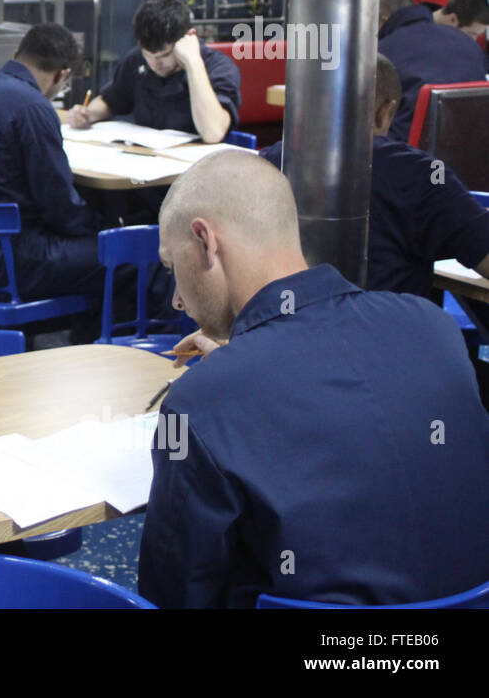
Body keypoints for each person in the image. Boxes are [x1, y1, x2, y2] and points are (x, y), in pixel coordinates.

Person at [138, 151, 489, 607]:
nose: (177, 301)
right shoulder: (432, 326)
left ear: (205, 241)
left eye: (171, 267)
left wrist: (231, 376)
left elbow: (174, 593)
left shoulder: (197, 404)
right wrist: (248, 362)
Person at [261, 54, 489, 295]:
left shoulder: (264, 166)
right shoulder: (419, 175)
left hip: (283, 329)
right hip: (391, 330)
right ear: (385, 111)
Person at [0, 22, 102, 302]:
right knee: (130, 252)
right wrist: (102, 225)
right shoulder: (33, 106)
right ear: (63, 74)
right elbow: (59, 205)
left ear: (15, 54)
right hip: (4, 262)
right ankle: (102, 344)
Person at [69, 0, 241, 143]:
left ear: (188, 38)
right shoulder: (136, 60)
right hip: (149, 160)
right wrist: (89, 114)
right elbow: (111, 100)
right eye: (148, 56)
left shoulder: (218, 67)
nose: (155, 64)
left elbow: (213, 132)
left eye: (164, 56)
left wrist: (193, 63)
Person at [377, 0, 487, 142]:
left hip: (408, 154)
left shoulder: (384, 50)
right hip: (469, 153)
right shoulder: (470, 45)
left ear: (383, 20)